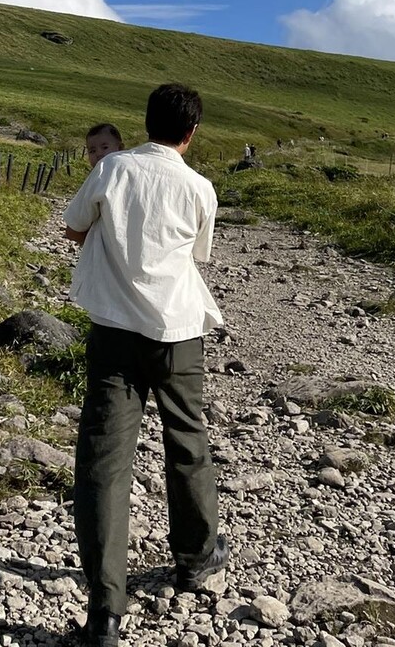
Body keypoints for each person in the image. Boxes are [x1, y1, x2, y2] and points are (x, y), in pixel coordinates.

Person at [63, 83, 227, 647]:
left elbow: (73, 225)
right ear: (192, 132)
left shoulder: (111, 170)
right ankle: (195, 558)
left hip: (113, 332)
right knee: (187, 440)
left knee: (105, 461)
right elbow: (197, 254)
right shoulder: (200, 187)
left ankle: (105, 609)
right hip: (178, 332)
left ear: (146, 122)